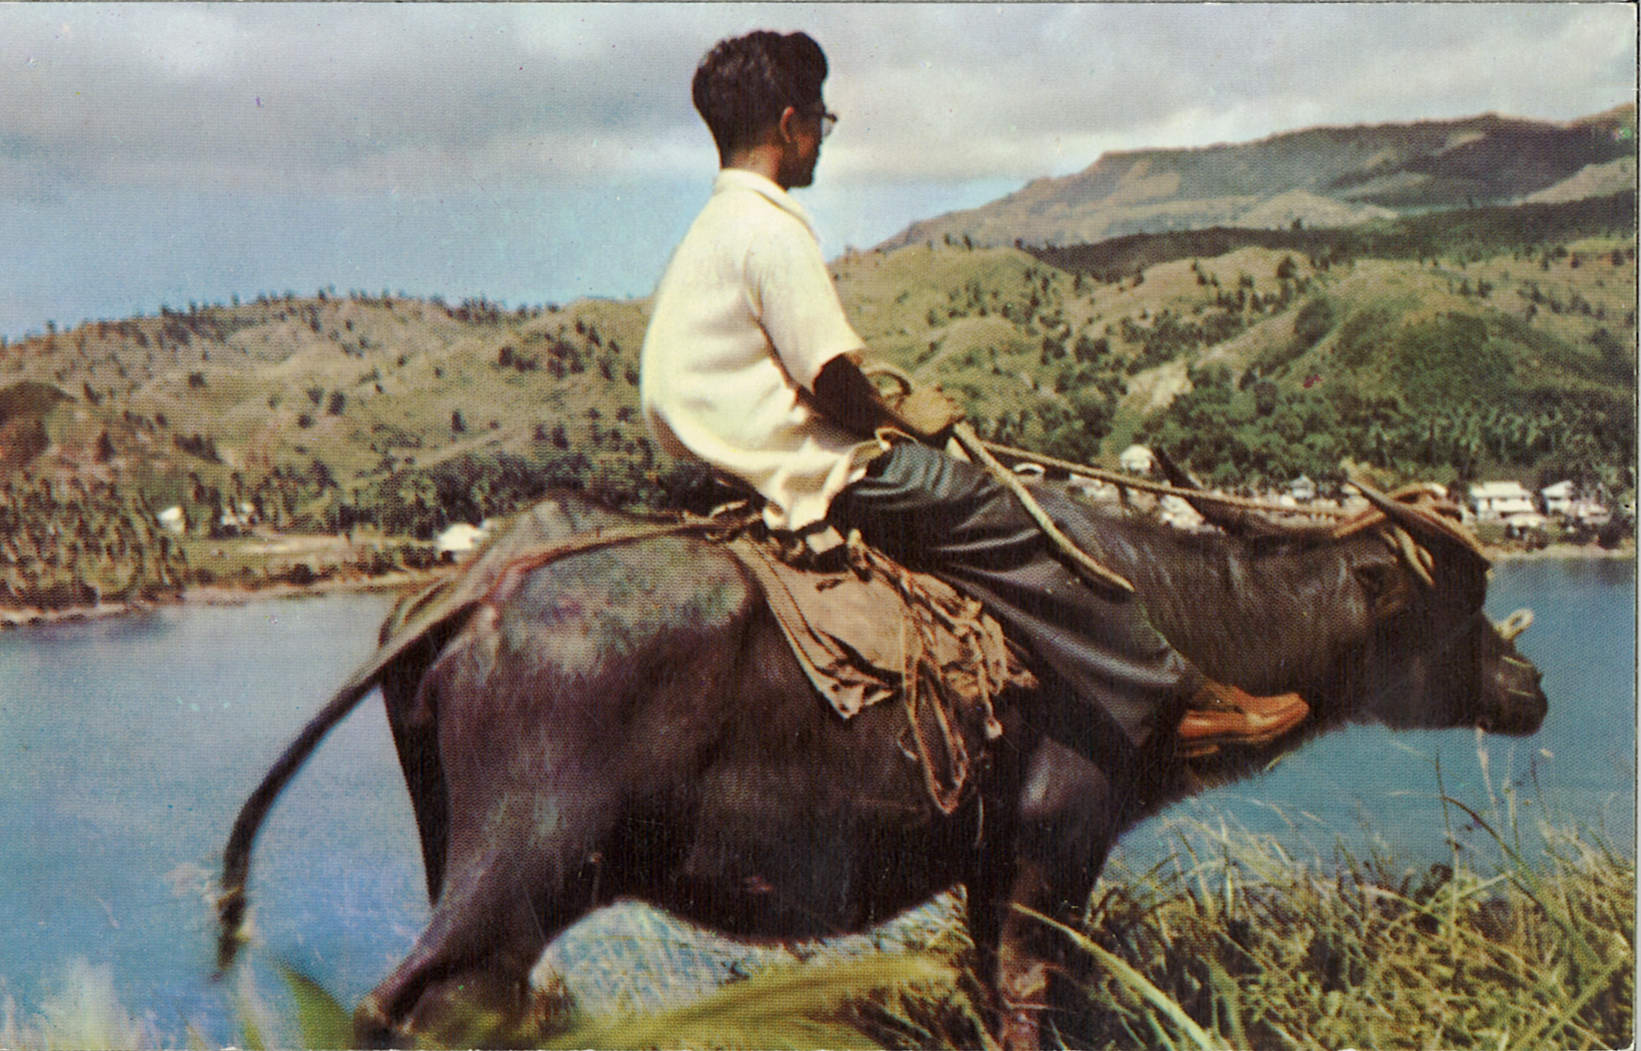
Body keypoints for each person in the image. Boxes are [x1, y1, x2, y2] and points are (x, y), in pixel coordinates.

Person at [641, 30, 1308, 764]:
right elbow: (828, 377)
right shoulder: (770, 230)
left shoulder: (706, 233)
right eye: (820, 124)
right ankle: (1171, 702)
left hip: (727, 464)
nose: (822, 143)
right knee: (1015, 517)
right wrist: (901, 425)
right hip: (803, 470)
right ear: (790, 124)